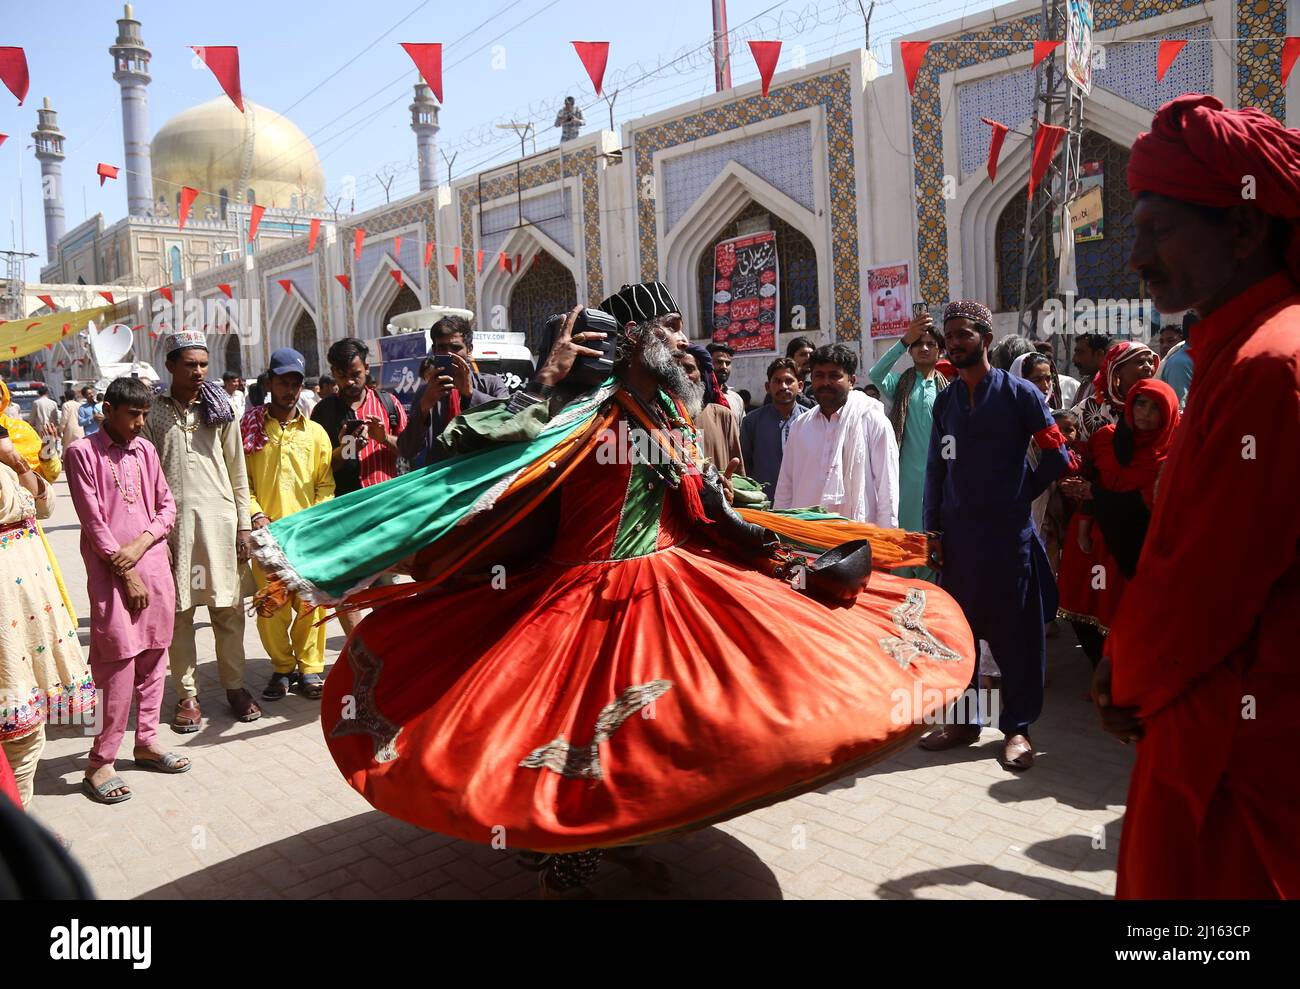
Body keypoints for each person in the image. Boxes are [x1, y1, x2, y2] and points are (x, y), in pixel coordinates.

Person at [248, 281, 974, 895]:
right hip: (581, 595)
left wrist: (784, 546)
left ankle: (623, 824)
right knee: (568, 731)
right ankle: (562, 852)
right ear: (633, 340)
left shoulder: (664, 413)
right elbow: (465, 446)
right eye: (670, 328)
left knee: (663, 732)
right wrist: (542, 378)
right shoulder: (583, 416)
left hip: (667, 577)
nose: (684, 341)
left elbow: (712, 499)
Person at [1098, 93, 1300, 899]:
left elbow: (1207, 587)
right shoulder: (1238, 348)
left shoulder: (1267, 365)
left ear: (1245, 229)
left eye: (1157, 230)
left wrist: (1124, 673)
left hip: (1233, 748)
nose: (1137, 258)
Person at [919, 301, 1071, 770]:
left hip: (1009, 540)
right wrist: (934, 529)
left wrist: (1020, 492)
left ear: (985, 338)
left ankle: (1018, 728)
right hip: (960, 541)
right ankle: (965, 723)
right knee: (960, 633)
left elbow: (1058, 455)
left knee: (1016, 636)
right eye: (950, 335)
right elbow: (937, 469)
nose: (955, 343)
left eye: (964, 334)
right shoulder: (946, 401)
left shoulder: (1020, 394)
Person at [65, 377, 186, 805]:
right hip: (112, 574)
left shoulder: (146, 450)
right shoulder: (82, 453)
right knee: (115, 666)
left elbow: (167, 507)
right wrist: (126, 570)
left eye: (144, 415)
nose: (139, 423)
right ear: (108, 409)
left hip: (154, 567)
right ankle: (100, 762)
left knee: (155, 657)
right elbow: (94, 522)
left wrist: (141, 544)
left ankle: (147, 742)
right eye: (132, 414)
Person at [142, 330, 261, 731]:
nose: (198, 371)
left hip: (221, 525)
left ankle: (235, 687)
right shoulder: (153, 411)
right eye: (190, 364)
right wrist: (153, 535)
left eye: (203, 364)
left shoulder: (221, 406)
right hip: (175, 531)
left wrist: (244, 525)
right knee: (180, 614)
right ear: (170, 365)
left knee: (228, 610)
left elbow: (237, 470)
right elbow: (145, 475)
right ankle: (187, 695)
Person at [0, 426, 93, 808]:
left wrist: (19, 461)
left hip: (27, 607)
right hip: (6, 612)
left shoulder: (11, 445)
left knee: (27, 734)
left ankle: (20, 835)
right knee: (19, 736)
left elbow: (44, 504)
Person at [1057, 341, 1158, 668]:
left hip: (1140, 515)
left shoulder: (1159, 403)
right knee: (1084, 591)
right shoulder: (1089, 411)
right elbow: (1078, 457)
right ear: (1116, 372)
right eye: (1138, 363)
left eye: (1149, 362)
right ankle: (1103, 665)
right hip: (1094, 514)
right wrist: (1077, 486)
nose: (1146, 368)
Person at [242, 349, 335, 702]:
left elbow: (325, 484)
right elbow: (242, 483)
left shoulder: (315, 434)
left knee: (311, 604)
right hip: (267, 538)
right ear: (269, 382)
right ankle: (282, 668)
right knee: (270, 607)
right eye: (283, 382)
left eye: (295, 383)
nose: (289, 390)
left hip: (308, 536)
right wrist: (255, 514)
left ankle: (310, 669)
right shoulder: (250, 430)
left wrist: (317, 516)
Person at [774, 343, 899, 528]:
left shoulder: (874, 422)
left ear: (852, 380)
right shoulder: (800, 426)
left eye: (834, 376)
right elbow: (786, 486)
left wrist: (887, 538)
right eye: (819, 375)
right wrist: (780, 530)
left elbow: (887, 488)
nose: (825, 382)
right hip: (806, 536)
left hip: (857, 536)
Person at [868, 312, 950, 543]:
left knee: (934, 536)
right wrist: (904, 340)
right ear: (910, 351)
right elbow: (875, 374)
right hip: (906, 477)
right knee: (905, 539)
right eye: (917, 344)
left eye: (930, 344)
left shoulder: (949, 389)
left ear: (940, 351)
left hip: (940, 475)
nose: (923, 348)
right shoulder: (899, 384)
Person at [397, 315, 507, 467]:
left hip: (481, 477)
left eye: (456, 348)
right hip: (440, 482)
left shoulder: (492, 385)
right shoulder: (426, 393)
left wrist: (471, 394)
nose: (449, 354)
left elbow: (507, 425)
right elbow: (406, 450)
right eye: (442, 348)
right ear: (434, 351)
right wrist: (423, 409)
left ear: (469, 350)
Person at [312, 338, 407, 497]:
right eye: (342, 376)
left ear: (367, 369)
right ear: (334, 373)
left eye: (355, 374)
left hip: (387, 500)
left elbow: (409, 450)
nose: (349, 381)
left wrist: (384, 439)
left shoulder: (389, 403)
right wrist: (346, 450)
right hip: (344, 508)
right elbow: (317, 470)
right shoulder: (322, 412)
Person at [740, 357, 808, 500]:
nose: (783, 386)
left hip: (804, 503)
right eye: (777, 381)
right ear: (767, 387)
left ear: (800, 386)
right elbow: (744, 463)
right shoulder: (752, 422)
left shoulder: (811, 420)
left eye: (789, 381)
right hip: (765, 504)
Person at [677, 346, 743, 474]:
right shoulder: (657, 418)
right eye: (676, 369)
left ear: (701, 375)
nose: (682, 376)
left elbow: (738, 474)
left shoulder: (724, 416)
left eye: (689, 369)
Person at [1154, 311, 1196, 405]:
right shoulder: (1180, 363)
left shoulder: (1191, 357)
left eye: (1170, 341)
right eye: (1161, 342)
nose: (1164, 346)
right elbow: (1180, 408)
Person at [705, 342, 745, 420]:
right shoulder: (698, 397)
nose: (724, 367)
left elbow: (741, 429)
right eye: (719, 362)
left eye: (728, 363)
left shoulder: (736, 399)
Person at [1069, 334, 1112, 407]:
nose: (1074, 359)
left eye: (1080, 353)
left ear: (1099, 354)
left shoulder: (1111, 388)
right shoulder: (1085, 384)